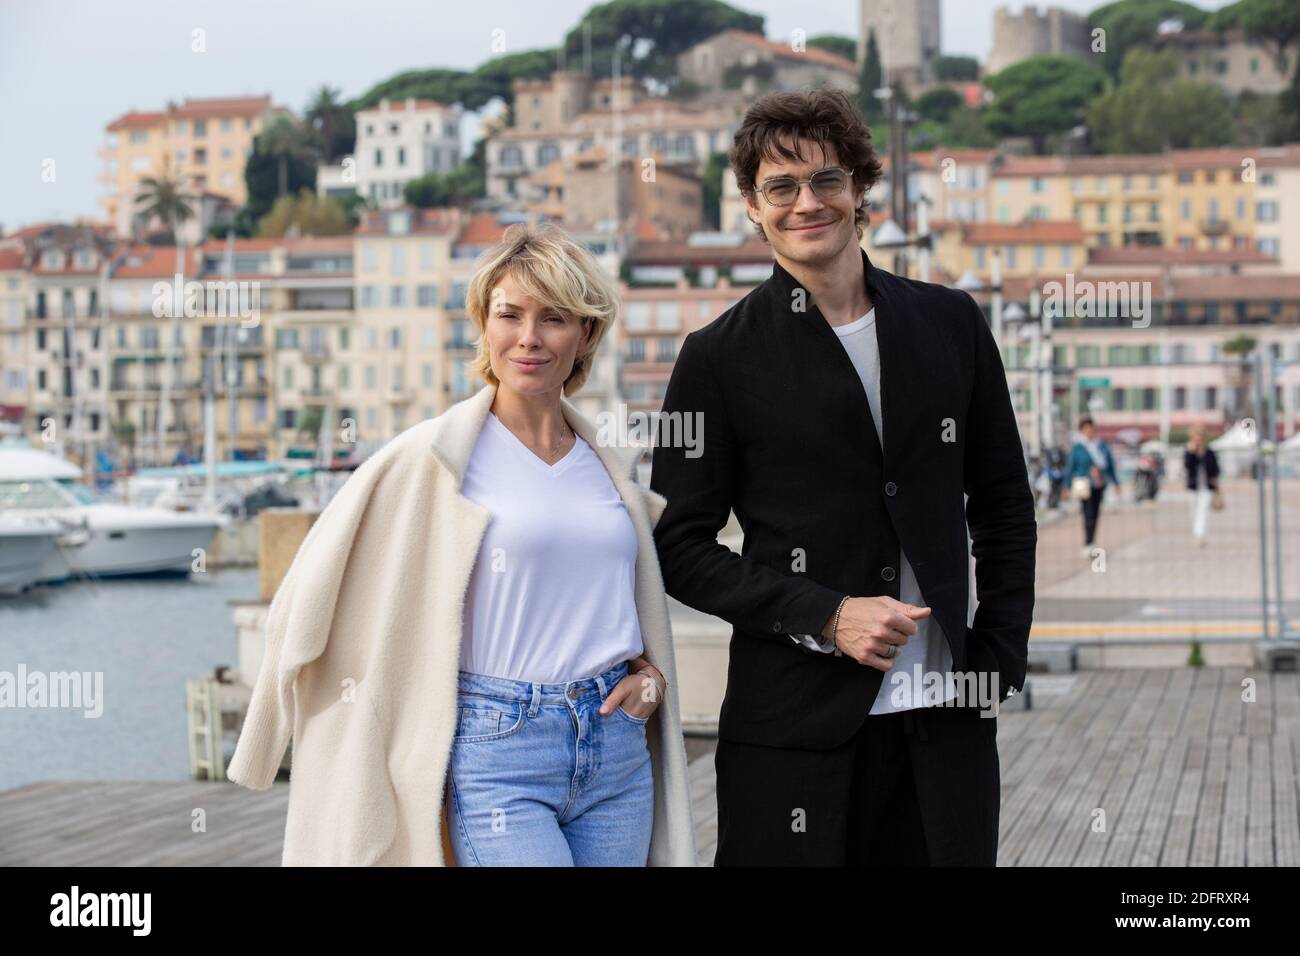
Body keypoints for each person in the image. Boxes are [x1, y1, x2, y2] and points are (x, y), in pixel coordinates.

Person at [227, 223, 696, 867]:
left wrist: (651, 682)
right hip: (499, 748)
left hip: (614, 749)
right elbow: (314, 586)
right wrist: (264, 737)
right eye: (510, 315)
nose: (529, 338)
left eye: (554, 318)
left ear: (585, 333)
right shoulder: (434, 459)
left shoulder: (608, 467)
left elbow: (621, 605)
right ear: (483, 323)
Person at [650, 89, 1037, 866]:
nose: (806, 203)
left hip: (945, 727)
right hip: (792, 734)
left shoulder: (952, 322)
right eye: (780, 188)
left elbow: (1003, 507)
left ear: (860, 188)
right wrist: (828, 615)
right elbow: (679, 545)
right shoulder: (717, 356)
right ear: (752, 209)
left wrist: (997, 657)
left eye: (826, 180)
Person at [1066, 416, 1120, 556]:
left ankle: (1091, 541)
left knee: (1095, 513)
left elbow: (1110, 466)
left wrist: (1116, 482)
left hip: (1099, 484)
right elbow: (1070, 468)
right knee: (1087, 513)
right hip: (1082, 483)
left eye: (1092, 429)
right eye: (1086, 429)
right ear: (1082, 431)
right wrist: (1066, 486)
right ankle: (1088, 543)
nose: (1090, 432)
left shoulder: (1101, 446)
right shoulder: (1078, 447)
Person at [1184, 424, 1221, 547]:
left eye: (1200, 437)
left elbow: (1215, 469)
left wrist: (1217, 486)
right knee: (1193, 510)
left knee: (1203, 510)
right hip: (1193, 486)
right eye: (1196, 437)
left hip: (1207, 486)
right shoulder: (1188, 451)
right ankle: (1197, 533)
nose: (1198, 440)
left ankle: (1200, 535)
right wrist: (1192, 453)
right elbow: (1187, 467)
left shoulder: (1209, 452)